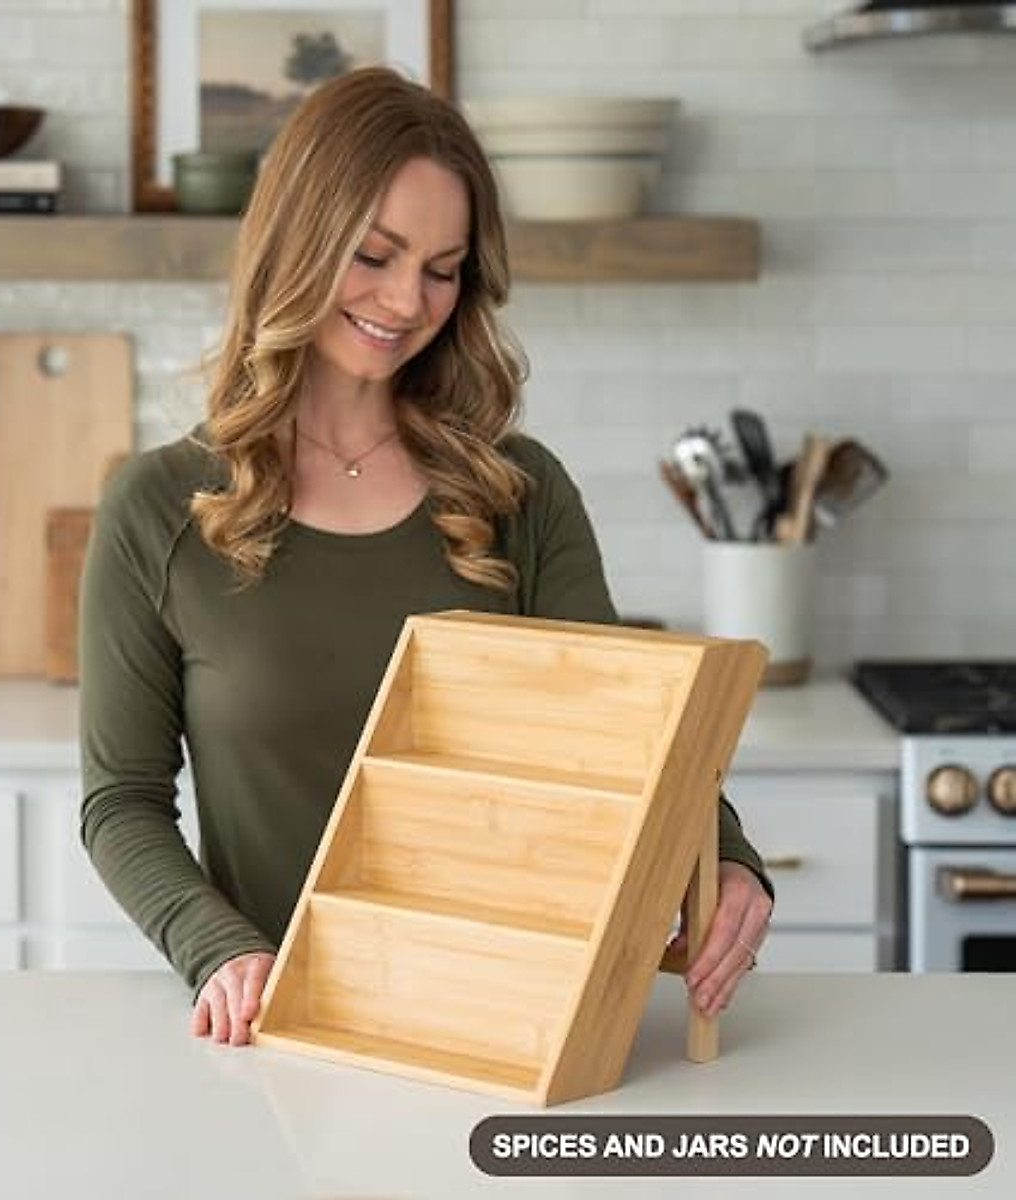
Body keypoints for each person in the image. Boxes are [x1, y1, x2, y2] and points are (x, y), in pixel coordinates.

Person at [79, 66, 773, 1049]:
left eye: (442, 269)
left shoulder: (522, 493)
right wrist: (219, 950)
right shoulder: (158, 509)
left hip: (513, 1024)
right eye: (373, 254)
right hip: (281, 1029)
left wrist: (730, 859)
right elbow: (123, 804)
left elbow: (637, 744)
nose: (406, 300)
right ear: (297, 241)